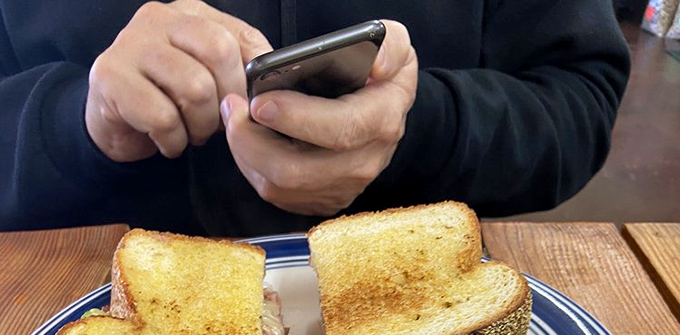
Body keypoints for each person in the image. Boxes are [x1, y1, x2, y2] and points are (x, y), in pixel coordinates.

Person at [0, 1, 630, 237]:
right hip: (72, 307)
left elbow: (577, 103)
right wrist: (74, 123)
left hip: (419, 301)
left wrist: (416, 123)